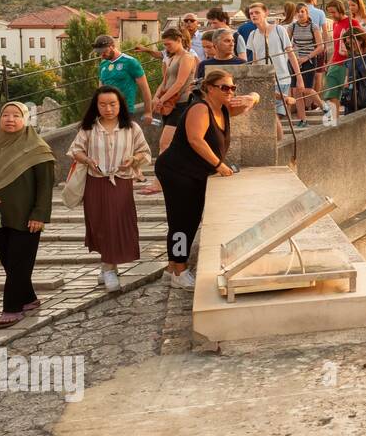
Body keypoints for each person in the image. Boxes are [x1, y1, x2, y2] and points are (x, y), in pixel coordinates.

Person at [154, 70, 259, 289]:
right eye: (224, 87)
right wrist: (219, 165)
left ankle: (172, 267)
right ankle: (180, 272)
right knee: (182, 222)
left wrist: (253, 96)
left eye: (233, 88)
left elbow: (252, 101)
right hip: (177, 171)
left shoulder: (223, 109)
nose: (230, 92)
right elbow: (195, 140)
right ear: (209, 88)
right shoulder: (201, 108)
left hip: (193, 173)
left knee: (188, 220)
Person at [67, 86, 151, 292]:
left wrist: (133, 159)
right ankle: (107, 267)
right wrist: (87, 159)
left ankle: (109, 268)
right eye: (103, 104)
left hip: (121, 183)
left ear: (120, 105)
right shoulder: (88, 128)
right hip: (95, 183)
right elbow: (75, 150)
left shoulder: (131, 128)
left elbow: (144, 152)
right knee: (100, 225)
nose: (108, 108)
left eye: (112, 104)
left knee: (116, 224)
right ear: (96, 106)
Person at [0, 102, 55, 328]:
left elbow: (45, 185)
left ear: (25, 119)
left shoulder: (37, 147)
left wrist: (39, 214)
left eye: (16, 115)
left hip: (27, 217)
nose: (10, 119)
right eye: (5, 115)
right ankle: (29, 298)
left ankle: (11, 308)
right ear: (0, 119)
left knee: (18, 262)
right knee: (8, 260)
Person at [141, 27, 198, 195]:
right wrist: (155, 98)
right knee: (174, 145)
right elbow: (164, 81)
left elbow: (180, 83)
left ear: (179, 40)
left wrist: (162, 99)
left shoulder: (187, 57)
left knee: (165, 144)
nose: (166, 47)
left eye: (168, 44)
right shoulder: (170, 58)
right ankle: (172, 179)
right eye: (164, 44)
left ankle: (158, 183)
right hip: (171, 105)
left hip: (181, 104)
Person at [246, 1, 307, 133]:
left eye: (257, 12)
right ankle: (279, 141)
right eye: (251, 13)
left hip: (282, 79)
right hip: (264, 80)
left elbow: (291, 55)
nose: (254, 15)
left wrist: (299, 77)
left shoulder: (279, 30)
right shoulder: (252, 35)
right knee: (269, 116)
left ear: (266, 13)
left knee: (275, 116)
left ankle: (279, 142)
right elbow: (255, 60)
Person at [94, 34, 153, 123]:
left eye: (104, 51)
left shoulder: (130, 62)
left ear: (113, 46)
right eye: (99, 52)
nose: (102, 55)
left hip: (125, 110)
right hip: (107, 111)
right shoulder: (103, 64)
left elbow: (145, 89)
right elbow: (100, 90)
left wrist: (148, 112)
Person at [289, 2, 325, 113]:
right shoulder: (292, 26)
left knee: (306, 89)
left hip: (309, 60)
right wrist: (294, 57)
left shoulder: (313, 27)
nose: (300, 14)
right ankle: (302, 120)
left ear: (307, 13)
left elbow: (321, 47)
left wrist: (306, 57)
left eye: (302, 11)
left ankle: (324, 107)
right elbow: (287, 45)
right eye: (298, 12)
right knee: (296, 91)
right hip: (295, 60)